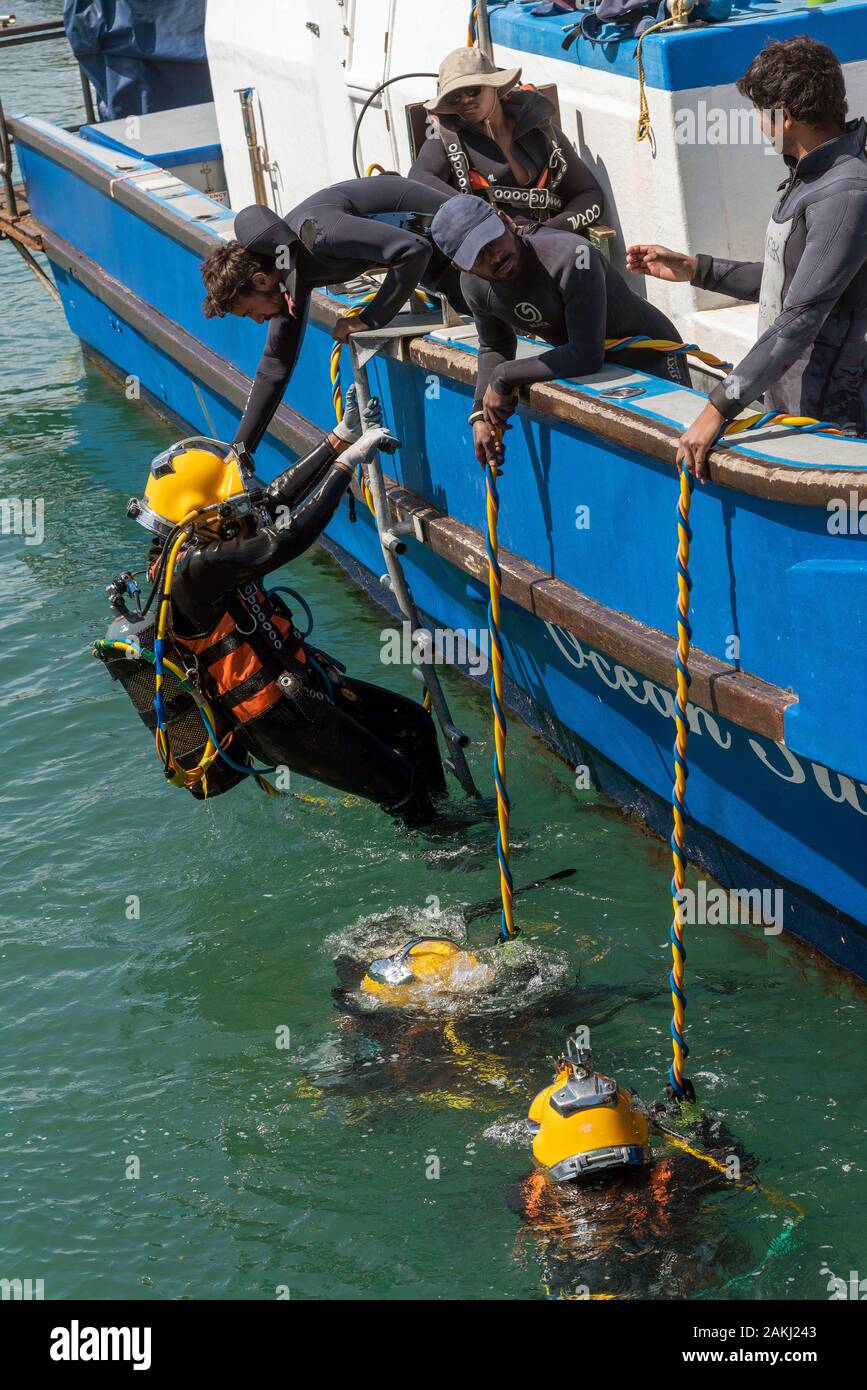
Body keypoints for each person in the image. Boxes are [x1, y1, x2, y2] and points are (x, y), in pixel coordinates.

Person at [127, 389, 447, 824]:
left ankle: (448, 820)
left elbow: (271, 503)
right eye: (226, 506)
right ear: (198, 514)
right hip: (280, 721)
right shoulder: (194, 570)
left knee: (414, 727)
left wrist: (339, 438)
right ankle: (453, 860)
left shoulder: (197, 537)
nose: (239, 510)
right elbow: (285, 538)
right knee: (401, 786)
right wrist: (345, 466)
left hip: (303, 685)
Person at [627, 36, 867, 481]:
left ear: (786, 117)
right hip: (790, 401)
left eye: (760, 112)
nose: (758, 124)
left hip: (834, 418)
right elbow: (794, 281)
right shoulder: (812, 176)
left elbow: (799, 318)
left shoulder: (845, 192)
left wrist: (717, 408)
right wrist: (697, 269)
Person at [200, 175, 466, 457]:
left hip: (460, 235)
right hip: (439, 255)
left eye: (251, 311)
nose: (257, 320)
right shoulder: (288, 273)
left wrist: (370, 318)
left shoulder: (317, 235)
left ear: (262, 280)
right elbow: (274, 367)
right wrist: (239, 453)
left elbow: (413, 250)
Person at [429, 196, 690, 466]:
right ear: (460, 265)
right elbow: (495, 346)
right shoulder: (472, 284)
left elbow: (586, 355)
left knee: (678, 454)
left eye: (493, 240)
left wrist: (504, 376)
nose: (495, 256)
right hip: (592, 368)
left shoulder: (571, 256)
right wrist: (481, 415)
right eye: (478, 255)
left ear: (504, 219)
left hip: (650, 354)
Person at [409, 46, 604, 235]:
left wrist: (550, 231)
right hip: (489, 252)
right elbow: (420, 181)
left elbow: (590, 194)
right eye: (454, 97)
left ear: (494, 86)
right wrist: (479, 215)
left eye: (473, 90)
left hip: (549, 239)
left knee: (584, 259)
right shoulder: (446, 137)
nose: (465, 100)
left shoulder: (540, 130)